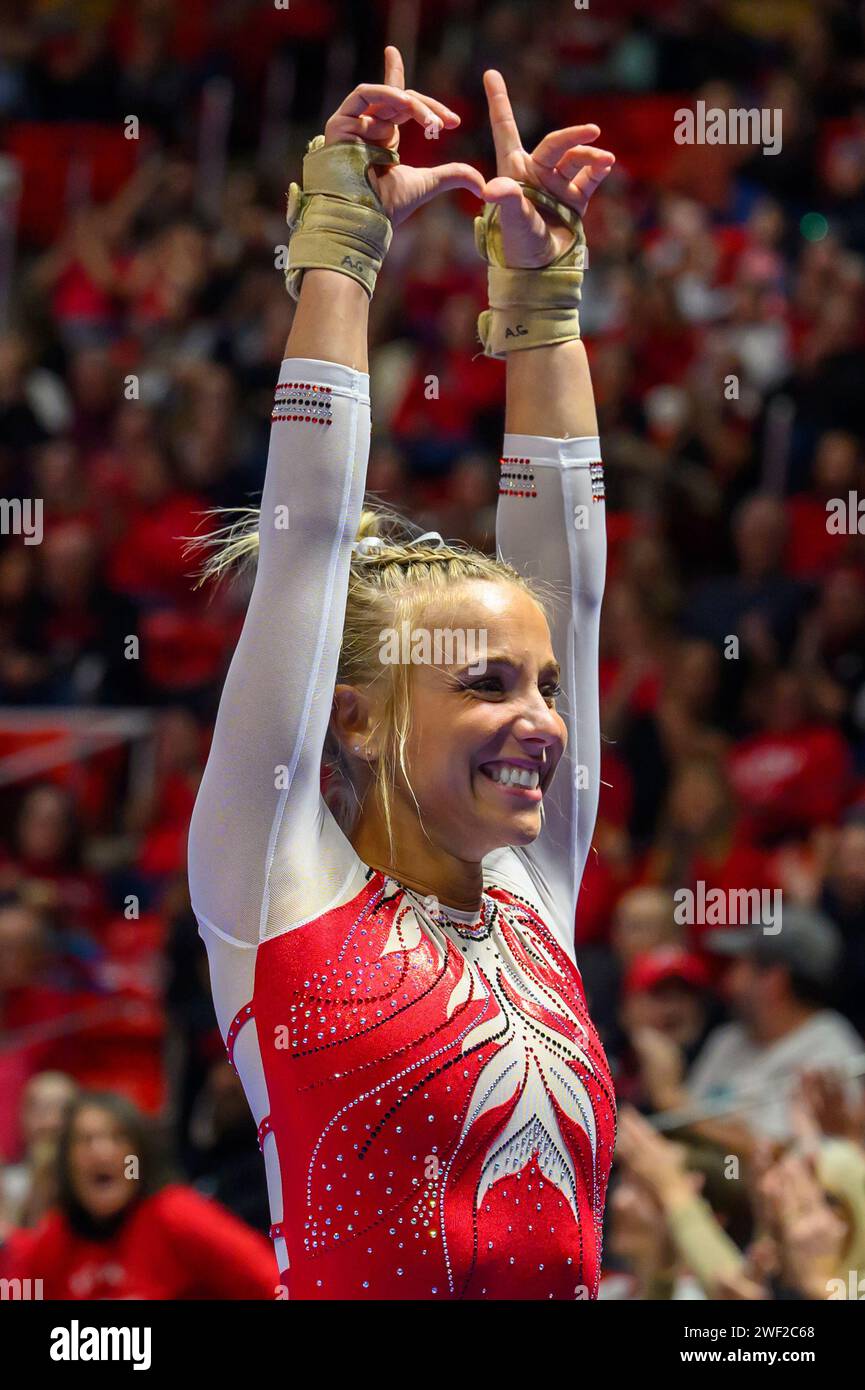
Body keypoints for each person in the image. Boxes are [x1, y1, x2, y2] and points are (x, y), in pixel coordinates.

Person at [187, 47, 617, 1300]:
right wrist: (340, 243)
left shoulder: (532, 895)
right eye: (487, 683)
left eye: (541, 686)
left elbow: (570, 586)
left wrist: (540, 306)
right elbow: (307, 540)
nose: (543, 720)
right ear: (361, 720)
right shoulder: (274, 895)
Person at [2, 1091, 276, 1299]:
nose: (101, 1152)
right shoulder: (54, 1240)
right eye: (85, 1141)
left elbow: (273, 1282)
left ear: (139, 1158)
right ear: (66, 1166)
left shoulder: (176, 1215)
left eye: (117, 1138)